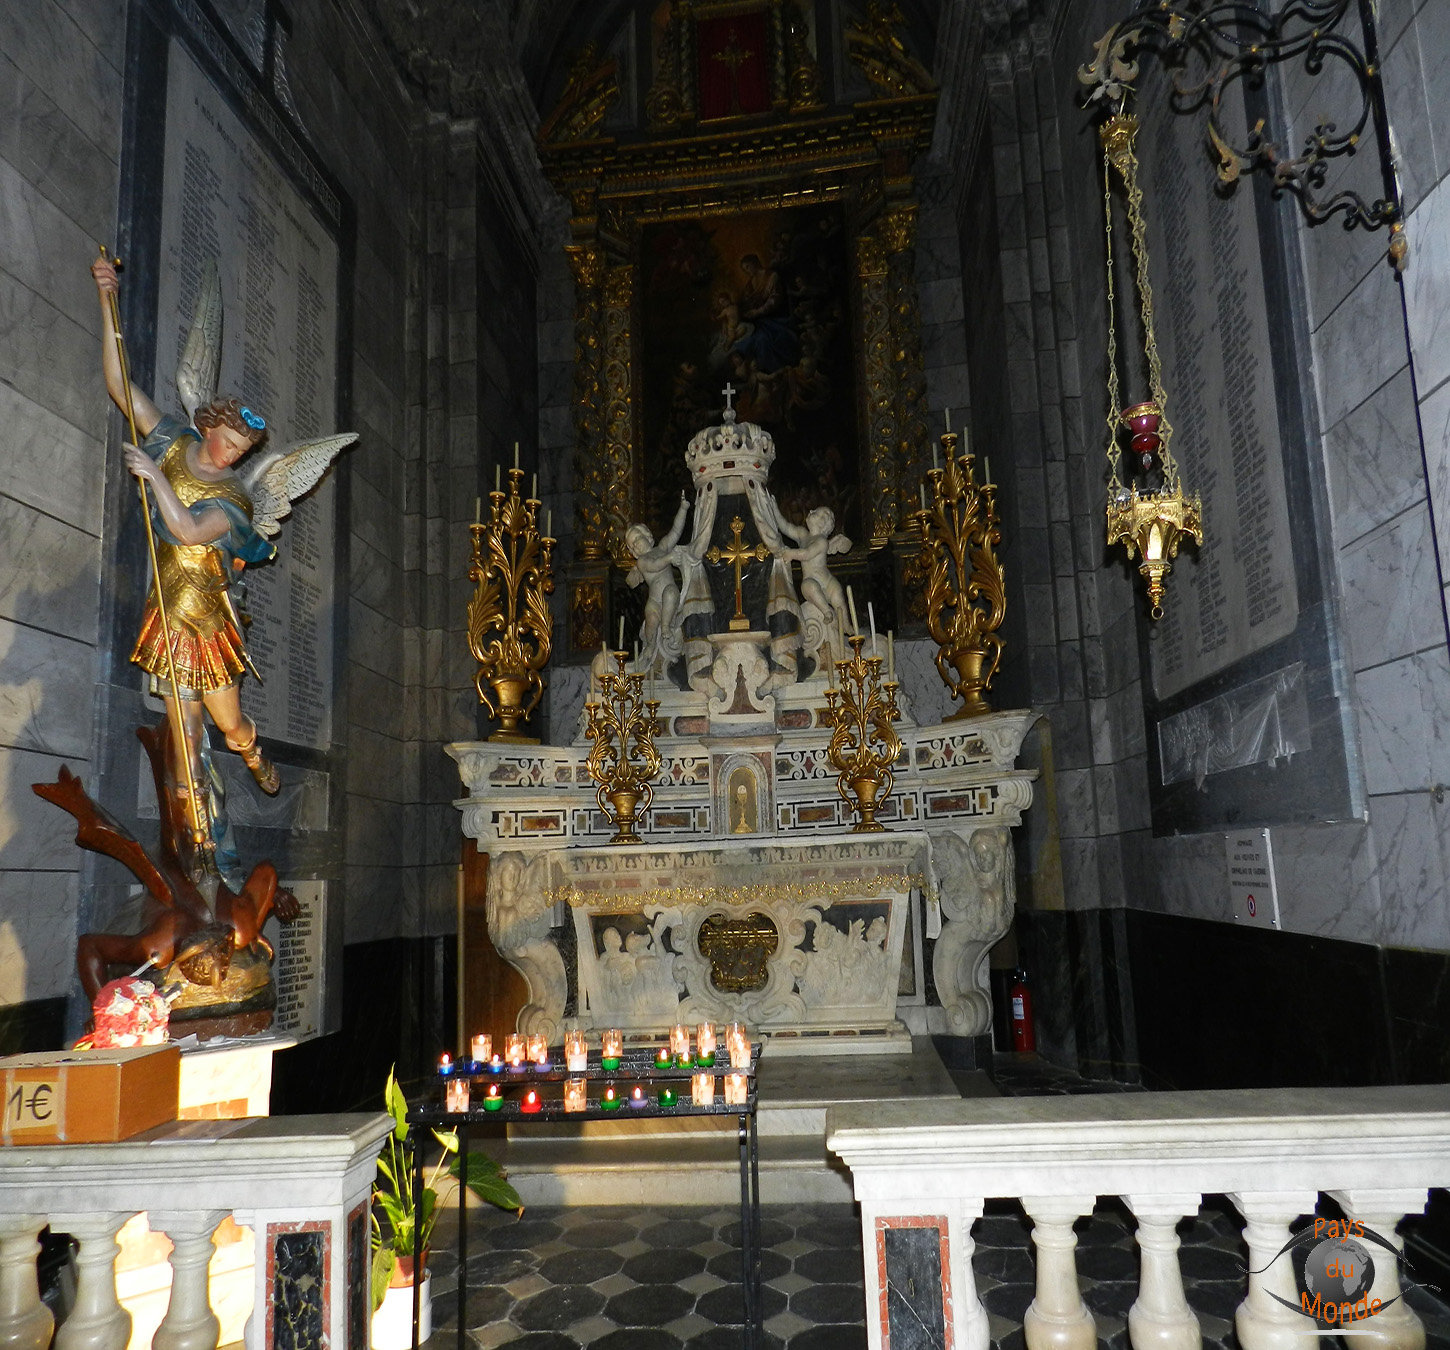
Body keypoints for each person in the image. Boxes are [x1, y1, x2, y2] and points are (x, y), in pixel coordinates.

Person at [91, 257, 280, 846]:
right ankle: (196, 838)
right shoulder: (174, 438)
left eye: (241, 454)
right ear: (210, 428)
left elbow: (187, 531)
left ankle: (251, 752)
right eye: (228, 444)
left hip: (210, 621)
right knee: (185, 733)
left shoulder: (233, 503)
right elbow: (121, 385)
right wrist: (107, 300)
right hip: (170, 615)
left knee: (227, 725)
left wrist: (153, 476)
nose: (230, 459)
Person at [626, 492, 690, 673]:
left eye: (638, 539)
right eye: (633, 546)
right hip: (654, 601)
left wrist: (683, 509)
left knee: (671, 592)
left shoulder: (662, 548)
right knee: (651, 617)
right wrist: (669, 558)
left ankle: (666, 627)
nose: (637, 545)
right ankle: (650, 645)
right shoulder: (642, 562)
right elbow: (655, 565)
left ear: (648, 536)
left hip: (669, 595)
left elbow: (676, 532)